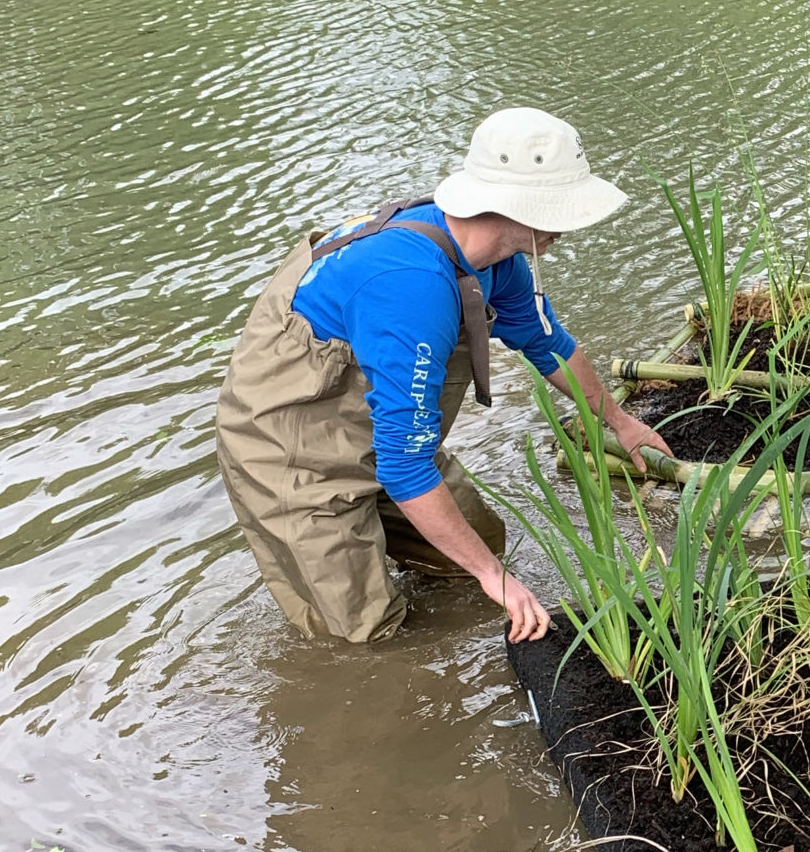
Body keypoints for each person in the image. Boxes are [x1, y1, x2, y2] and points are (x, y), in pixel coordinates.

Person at [215, 107, 666, 646]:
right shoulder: (411, 287)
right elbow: (404, 466)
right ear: (513, 206)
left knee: (477, 547)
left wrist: (620, 422)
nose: (568, 226)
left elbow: (549, 345)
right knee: (365, 634)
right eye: (560, 209)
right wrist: (497, 582)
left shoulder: (498, 262)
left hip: (376, 427)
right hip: (288, 447)